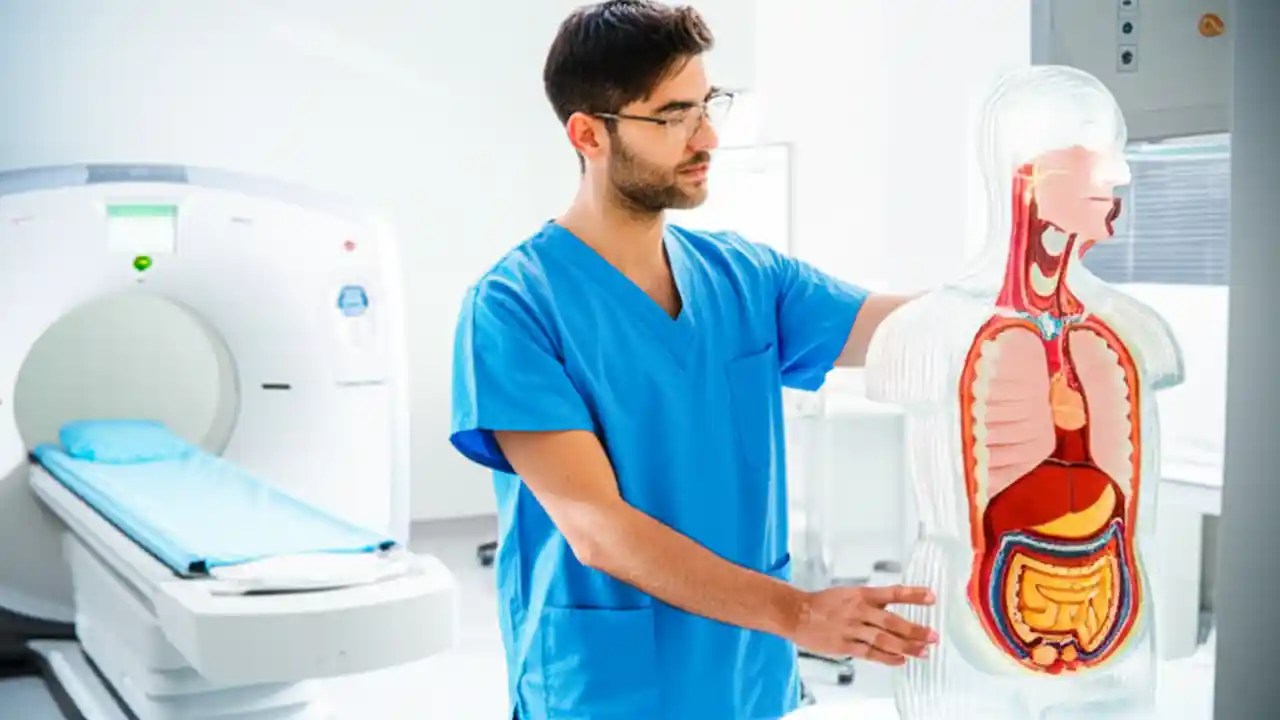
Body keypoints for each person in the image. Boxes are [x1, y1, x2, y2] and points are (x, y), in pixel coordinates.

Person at [449, 2, 938, 718]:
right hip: (609, 691)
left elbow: (910, 330)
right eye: (672, 116)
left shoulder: (745, 276)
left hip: (746, 682)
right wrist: (801, 615)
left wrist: (1031, 264)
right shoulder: (514, 306)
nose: (706, 135)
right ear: (588, 133)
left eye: (707, 105)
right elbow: (598, 529)